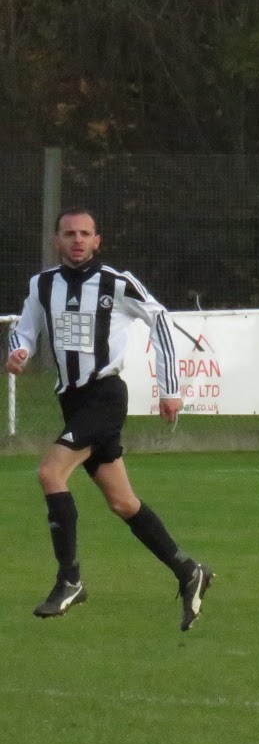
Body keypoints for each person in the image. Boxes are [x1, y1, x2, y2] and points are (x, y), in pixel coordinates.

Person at [6, 208, 215, 630]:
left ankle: (70, 579)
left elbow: (160, 320)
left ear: (98, 240)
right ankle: (189, 570)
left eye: (85, 234)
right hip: (72, 400)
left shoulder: (117, 283)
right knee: (123, 502)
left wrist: (170, 388)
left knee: (50, 473)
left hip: (104, 396)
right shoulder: (42, 285)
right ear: (57, 240)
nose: (78, 240)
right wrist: (19, 349)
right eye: (69, 233)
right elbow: (26, 328)